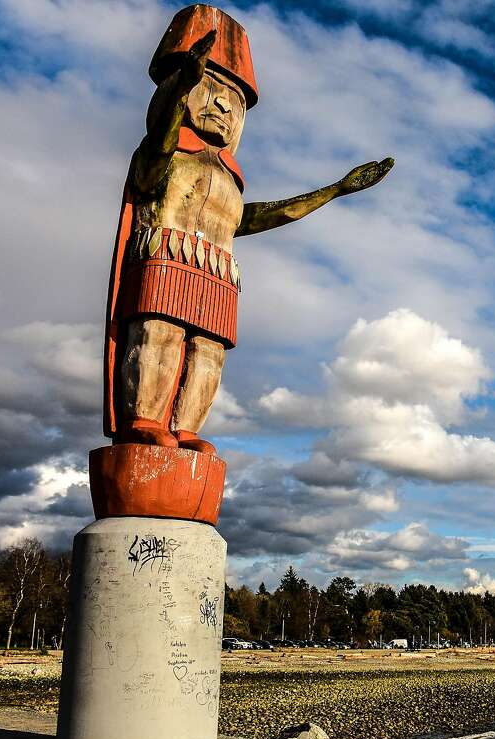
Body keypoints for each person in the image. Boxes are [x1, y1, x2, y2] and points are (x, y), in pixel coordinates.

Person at [104, 4, 392, 455]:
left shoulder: (230, 177)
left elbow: (265, 215)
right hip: (167, 252)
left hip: (218, 269)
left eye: (235, 100)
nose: (222, 104)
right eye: (210, 88)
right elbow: (160, 132)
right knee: (160, 333)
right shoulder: (163, 153)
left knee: (208, 352)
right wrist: (182, 84)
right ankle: (145, 418)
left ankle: (185, 428)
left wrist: (336, 189)